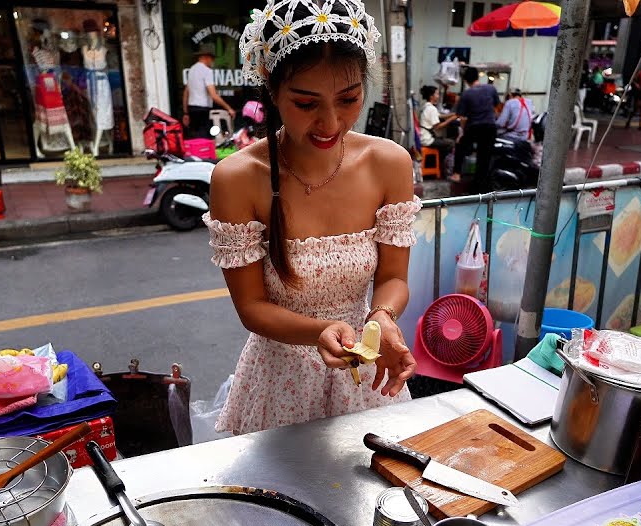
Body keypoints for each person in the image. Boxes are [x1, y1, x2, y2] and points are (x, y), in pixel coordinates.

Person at [204, 0, 418, 436]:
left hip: (363, 368)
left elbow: (394, 277)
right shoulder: (238, 178)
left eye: (349, 99)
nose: (330, 123)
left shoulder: (389, 163)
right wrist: (319, 330)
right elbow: (252, 307)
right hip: (279, 379)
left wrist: (382, 315)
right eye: (306, 103)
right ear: (272, 90)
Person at [449, 65, 500, 191]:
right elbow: (496, 107)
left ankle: (457, 174)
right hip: (490, 127)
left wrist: (462, 133)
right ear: (477, 77)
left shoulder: (466, 94)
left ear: (465, 81)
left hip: (475, 127)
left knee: (460, 146)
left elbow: (463, 117)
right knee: (484, 157)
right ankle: (481, 186)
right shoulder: (491, 89)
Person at [183, 43, 235, 139]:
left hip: (192, 109)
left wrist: (185, 113)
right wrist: (229, 108)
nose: (213, 61)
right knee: (204, 138)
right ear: (207, 57)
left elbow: (186, 93)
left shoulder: (191, 70)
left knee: (196, 138)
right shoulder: (207, 71)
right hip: (202, 110)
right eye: (212, 58)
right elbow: (213, 95)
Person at [418, 85, 457, 174]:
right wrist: (452, 119)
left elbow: (439, 116)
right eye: (437, 94)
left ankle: (438, 163)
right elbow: (437, 126)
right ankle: (441, 165)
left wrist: (453, 114)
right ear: (431, 96)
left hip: (423, 137)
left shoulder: (426, 106)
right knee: (451, 143)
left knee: (444, 141)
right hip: (427, 139)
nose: (438, 96)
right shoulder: (431, 109)